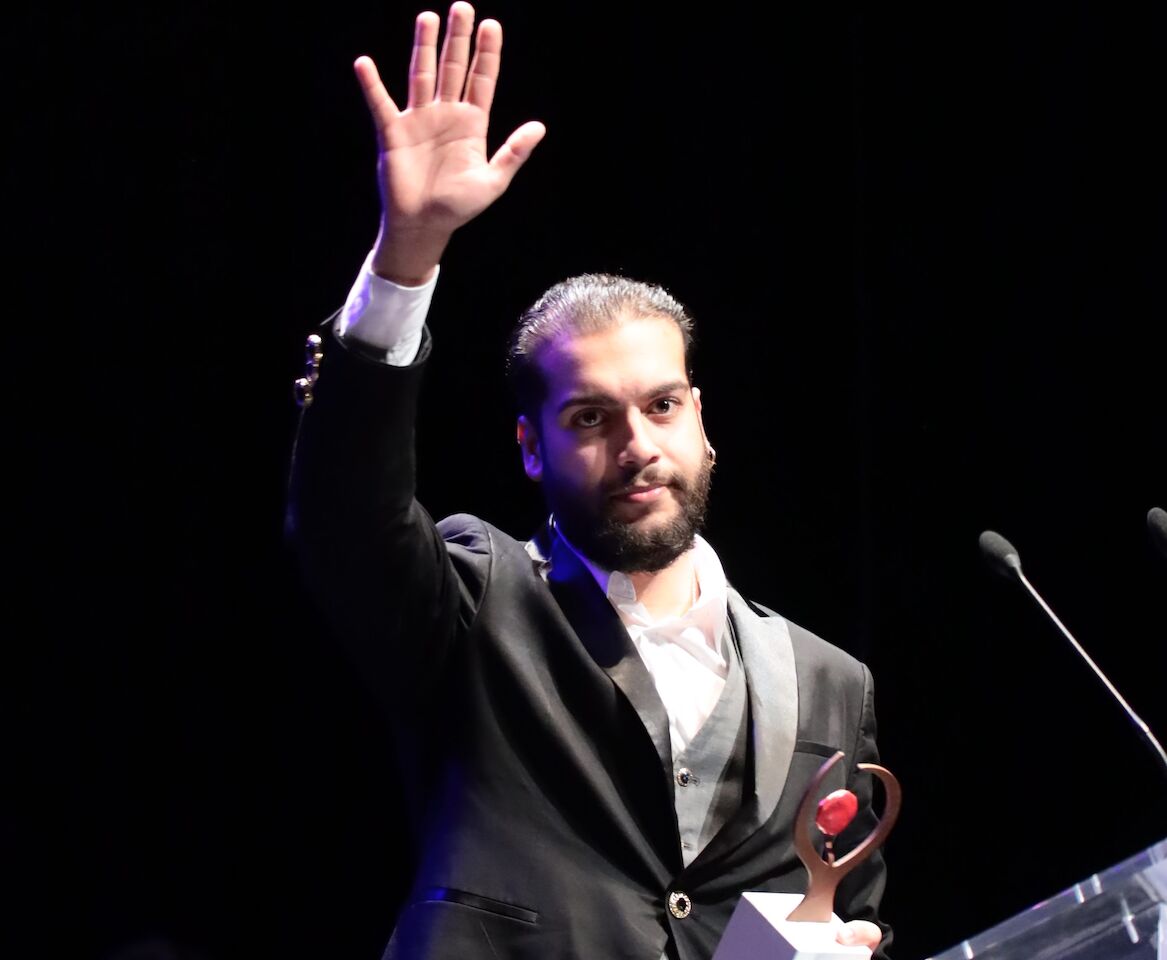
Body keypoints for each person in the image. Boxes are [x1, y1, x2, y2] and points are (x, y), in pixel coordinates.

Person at [286, 4, 892, 958]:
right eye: (589, 419)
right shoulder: (476, 603)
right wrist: (407, 255)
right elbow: (343, 517)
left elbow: (845, 912)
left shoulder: (831, 682)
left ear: (701, 419)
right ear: (529, 447)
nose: (636, 444)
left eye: (661, 406)